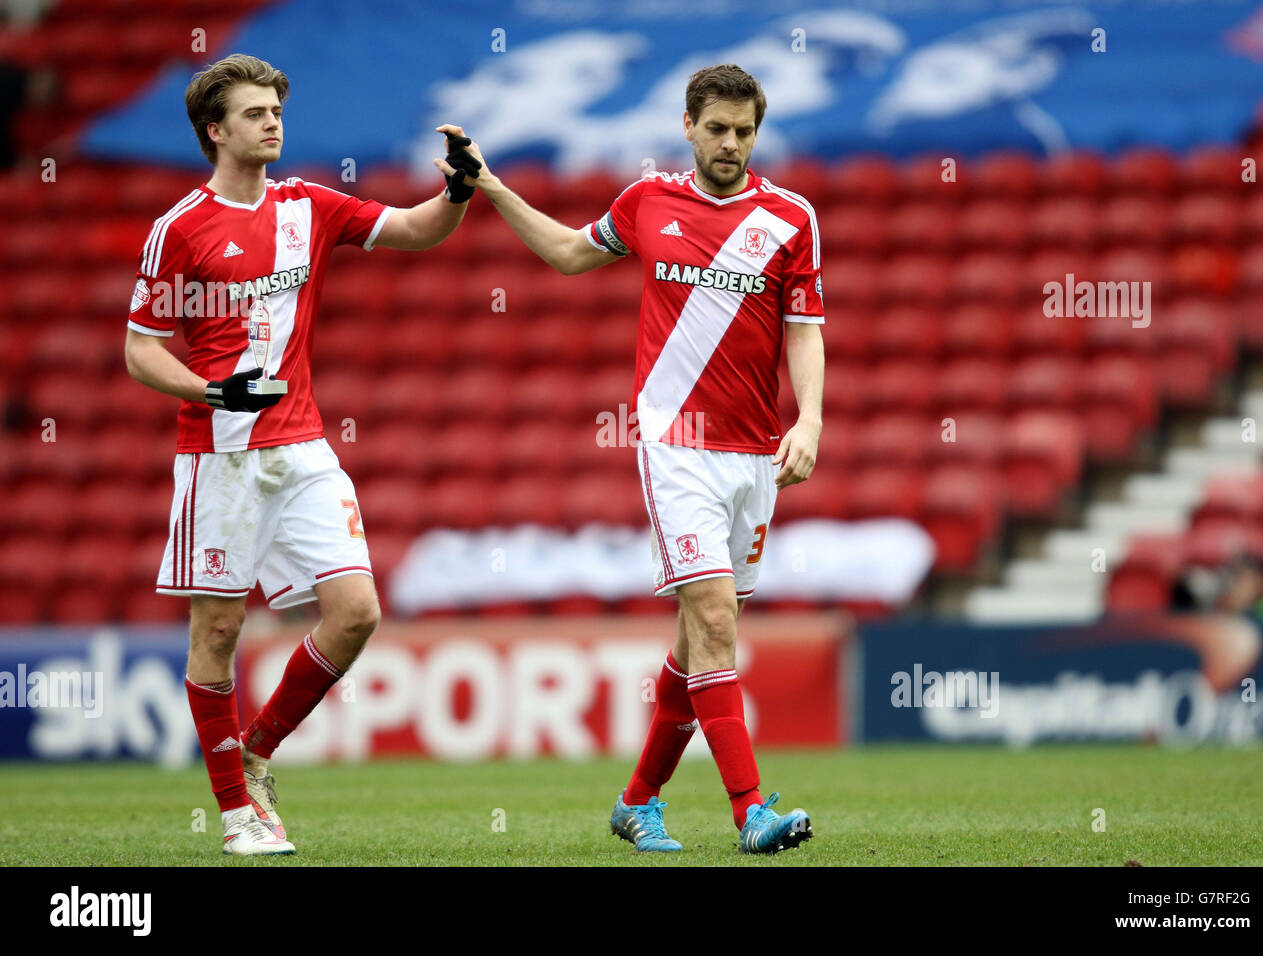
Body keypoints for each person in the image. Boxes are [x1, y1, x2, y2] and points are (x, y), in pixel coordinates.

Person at [436, 64, 824, 853]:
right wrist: (496, 190)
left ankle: (636, 800)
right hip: (674, 445)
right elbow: (573, 255)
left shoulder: (790, 217)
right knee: (715, 621)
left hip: (753, 456)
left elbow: (804, 326)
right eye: (716, 128)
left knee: (696, 642)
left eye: (744, 131)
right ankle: (751, 811)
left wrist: (809, 419)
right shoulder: (648, 201)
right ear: (687, 125)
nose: (730, 144)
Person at [124, 53, 481, 855]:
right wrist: (212, 393)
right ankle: (238, 815)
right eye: (254, 113)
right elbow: (140, 350)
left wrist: (459, 189)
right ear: (216, 131)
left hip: (302, 445)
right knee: (218, 633)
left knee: (357, 612)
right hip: (219, 456)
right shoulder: (177, 229)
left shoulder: (309, 206)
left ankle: (254, 754)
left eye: (276, 110)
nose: (273, 122)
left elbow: (418, 230)